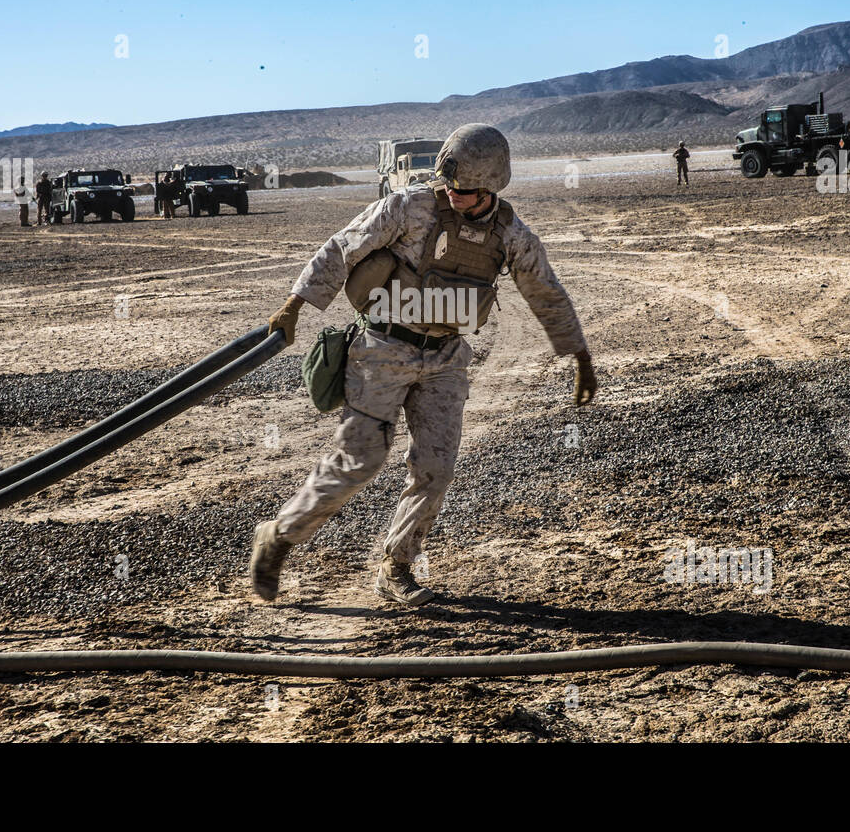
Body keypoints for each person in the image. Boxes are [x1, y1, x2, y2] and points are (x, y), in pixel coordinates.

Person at [251, 123, 597, 607]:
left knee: (436, 467)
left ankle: (396, 568)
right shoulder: (408, 207)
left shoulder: (511, 234)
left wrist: (577, 353)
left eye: (468, 192)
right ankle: (279, 537)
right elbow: (341, 245)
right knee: (360, 460)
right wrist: (295, 306)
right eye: (451, 188)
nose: (455, 197)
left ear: (493, 186)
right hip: (381, 350)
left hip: (446, 358)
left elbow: (544, 289)